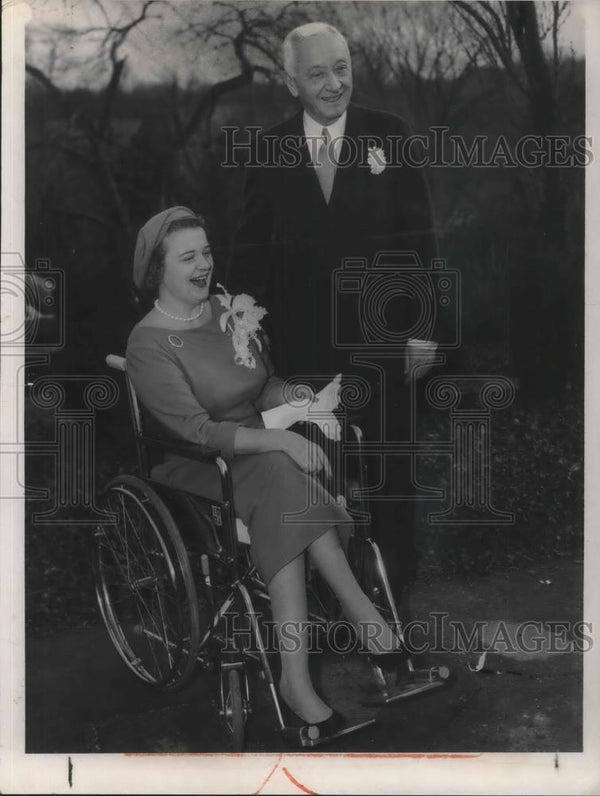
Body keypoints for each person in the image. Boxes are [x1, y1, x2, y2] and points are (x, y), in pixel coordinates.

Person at [125, 206, 407, 737]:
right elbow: (199, 432)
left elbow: (263, 386)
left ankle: (302, 673)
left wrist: (300, 398)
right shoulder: (148, 344)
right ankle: (355, 625)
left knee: (282, 473)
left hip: (261, 457)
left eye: (206, 252)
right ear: (157, 271)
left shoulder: (229, 309)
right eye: (188, 257)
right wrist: (278, 437)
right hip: (197, 468)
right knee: (282, 468)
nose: (204, 264)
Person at [228, 22, 440, 602]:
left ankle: (397, 601)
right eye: (317, 73)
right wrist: (245, 342)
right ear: (291, 81)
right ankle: (336, 601)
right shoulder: (269, 151)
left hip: (385, 342)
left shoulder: (390, 135)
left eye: (341, 68)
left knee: (393, 476)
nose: (332, 83)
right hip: (304, 350)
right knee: (320, 475)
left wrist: (424, 330)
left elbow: (420, 240)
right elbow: (250, 261)